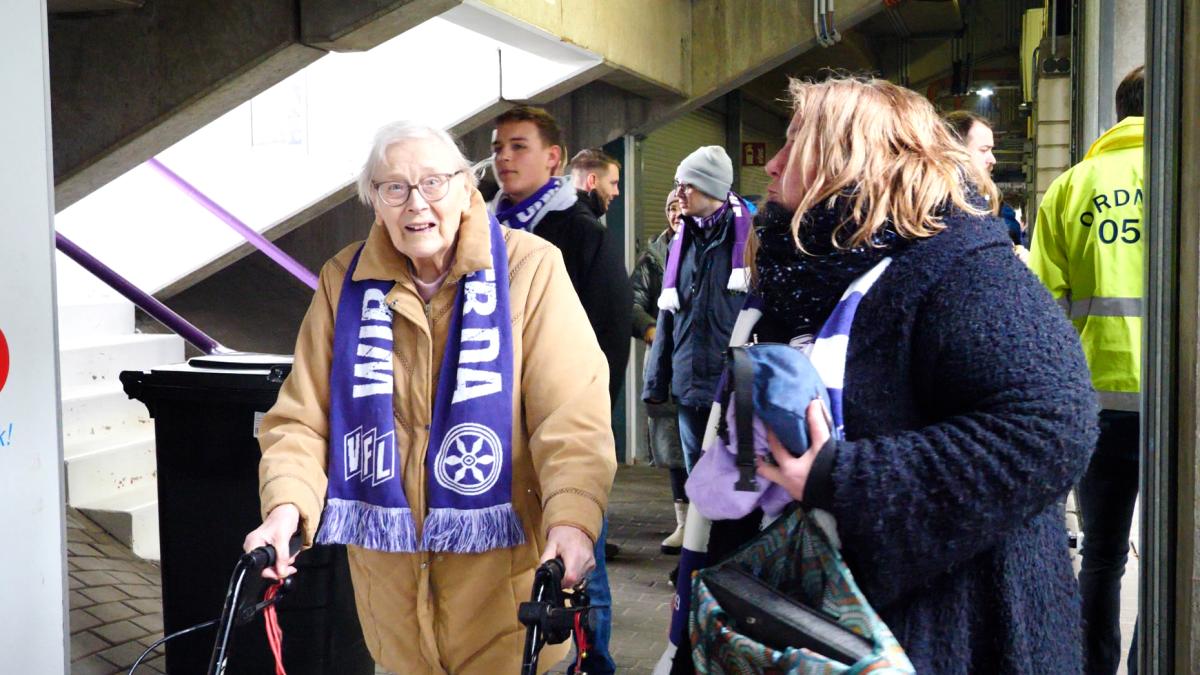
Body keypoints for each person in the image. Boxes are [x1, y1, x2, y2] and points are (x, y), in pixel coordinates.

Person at [742, 75, 1097, 672]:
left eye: (794, 142)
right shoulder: (815, 271)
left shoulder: (963, 268)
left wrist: (844, 477)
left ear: (852, 158)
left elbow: (1053, 424)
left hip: (956, 631)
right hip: (840, 619)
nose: (773, 164)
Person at [244, 121, 616, 674]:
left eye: (433, 183)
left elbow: (571, 416)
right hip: (392, 608)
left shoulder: (529, 268)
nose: (416, 203)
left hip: (505, 603)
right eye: (394, 188)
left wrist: (572, 518)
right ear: (376, 202)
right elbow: (303, 419)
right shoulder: (342, 281)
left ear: (467, 186)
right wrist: (284, 508)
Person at [490, 105, 628, 675]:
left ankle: (592, 662)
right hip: (489, 432)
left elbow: (607, 336)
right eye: (497, 147)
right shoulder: (476, 229)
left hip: (555, 427)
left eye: (518, 146)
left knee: (575, 549)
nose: (503, 158)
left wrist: (584, 425)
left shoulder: (580, 234)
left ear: (553, 159)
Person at [1028, 65, 1145, 675]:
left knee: (1101, 553)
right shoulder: (1186, 177)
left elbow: (1043, 303)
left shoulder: (1072, 187)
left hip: (1097, 400)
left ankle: (1096, 668)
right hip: (1184, 404)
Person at [643, 146, 751, 474]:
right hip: (688, 388)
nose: (679, 194)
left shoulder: (749, 241)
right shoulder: (681, 242)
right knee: (697, 482)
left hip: (734, 388)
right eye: (678, 184)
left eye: (686, 185)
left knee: (734, 484)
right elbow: (667, 316)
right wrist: (656, 383)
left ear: (712, 188)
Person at [631, 192, 688, 554]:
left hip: (703, 360)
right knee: (671, 439)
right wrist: (655, 332)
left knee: (705, 437)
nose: (676, 213)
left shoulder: (725, 248)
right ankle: (683, 523)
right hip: (665, 361)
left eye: (681, 206)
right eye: (670, 207)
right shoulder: (654, 256)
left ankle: (707, 519)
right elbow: (633, 302)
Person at [944, 110, 1027, 249]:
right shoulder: (936, 212)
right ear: (955, 151)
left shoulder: (996, 206)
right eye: (983, 150)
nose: (993, 159)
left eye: (991, 150)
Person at [569, 148, 622, 220]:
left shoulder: (554, 217)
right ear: (592, 181)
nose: (617, 192)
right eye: (612, 183)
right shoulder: (590, 227)